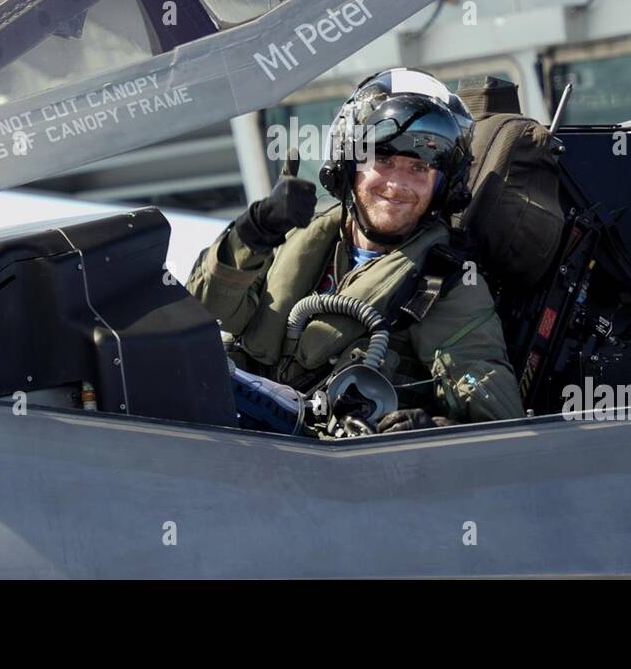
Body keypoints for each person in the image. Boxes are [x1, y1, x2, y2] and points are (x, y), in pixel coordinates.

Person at [187, 68, 524, 433]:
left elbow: (499, 424)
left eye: (419, 168)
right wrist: (253, 231)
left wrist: (429, 429)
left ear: (444, 186)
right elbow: (202, 313)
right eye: (383, 159)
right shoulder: (297, 238)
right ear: (349, 164)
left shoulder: (449, 288)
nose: (397, 185)